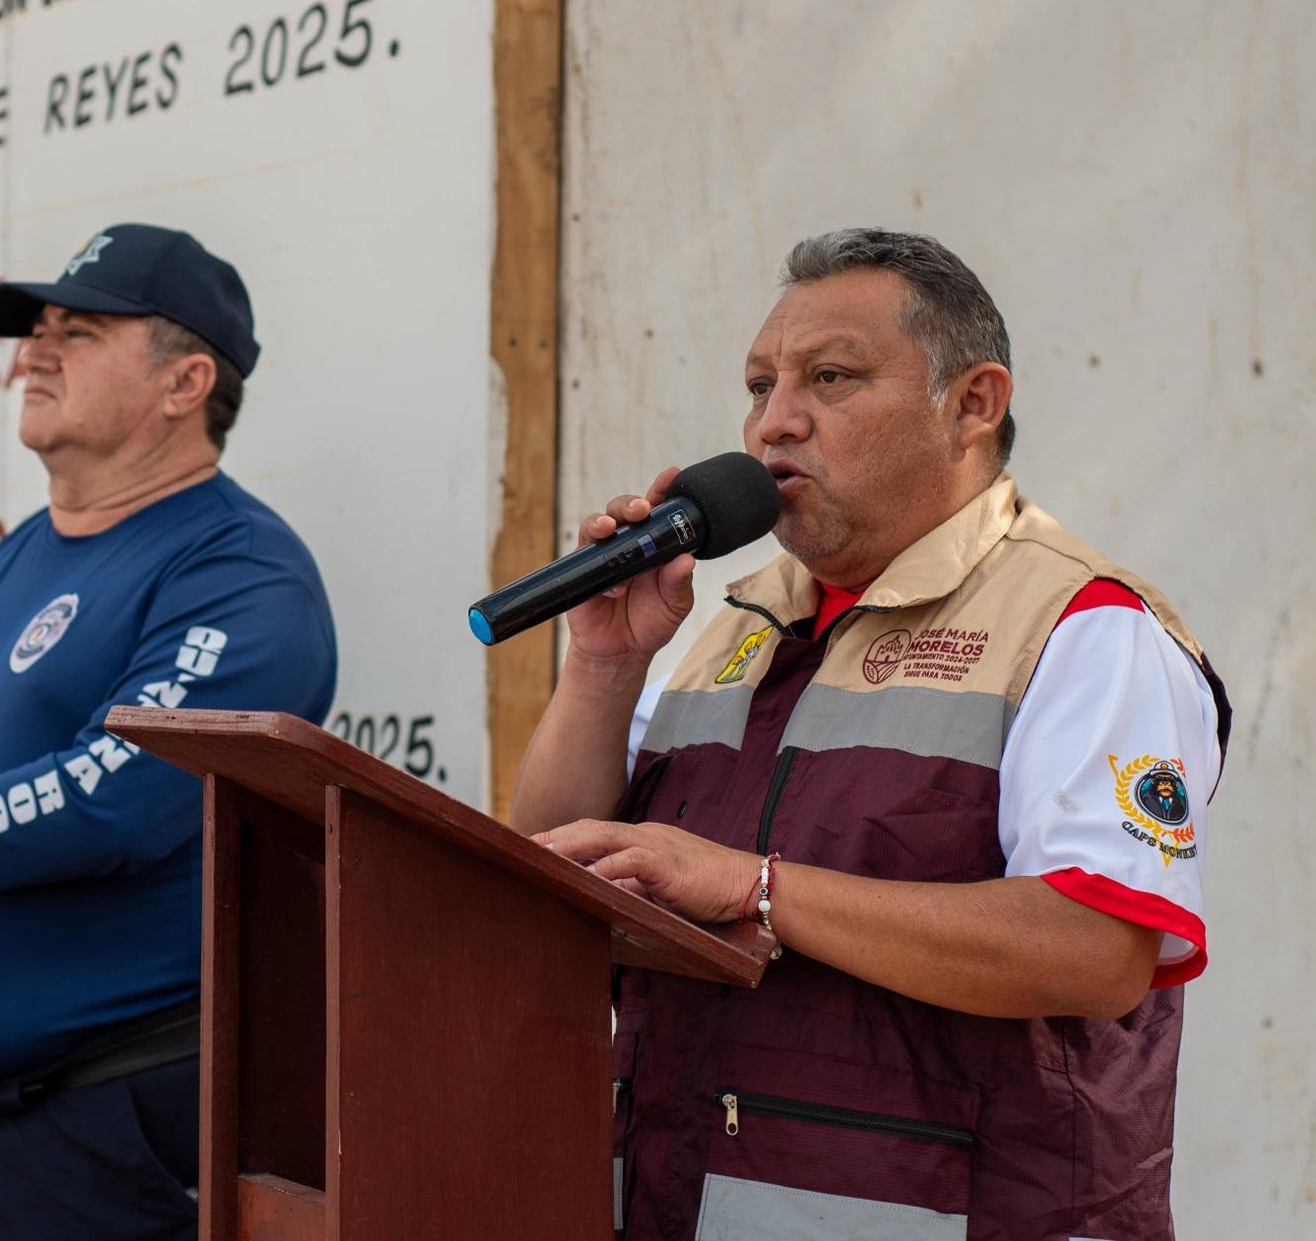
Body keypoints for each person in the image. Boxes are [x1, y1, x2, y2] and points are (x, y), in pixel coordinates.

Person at [511, 229, 1230, 1241]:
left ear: (972, 403)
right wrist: (601, 663)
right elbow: (545, 870)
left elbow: (1095, 948)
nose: (773, 421)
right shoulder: (735, 620)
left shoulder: (1084, 625)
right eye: (758, 384)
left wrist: (757, 887)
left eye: (830, 377)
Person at [0, 224, 338, 1241]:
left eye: (77, 331)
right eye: (36, 330)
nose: (35, 350)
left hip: (95, 1130)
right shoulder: (24, 550)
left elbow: (109, 798)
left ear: (185, 382)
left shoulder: (238, 569)